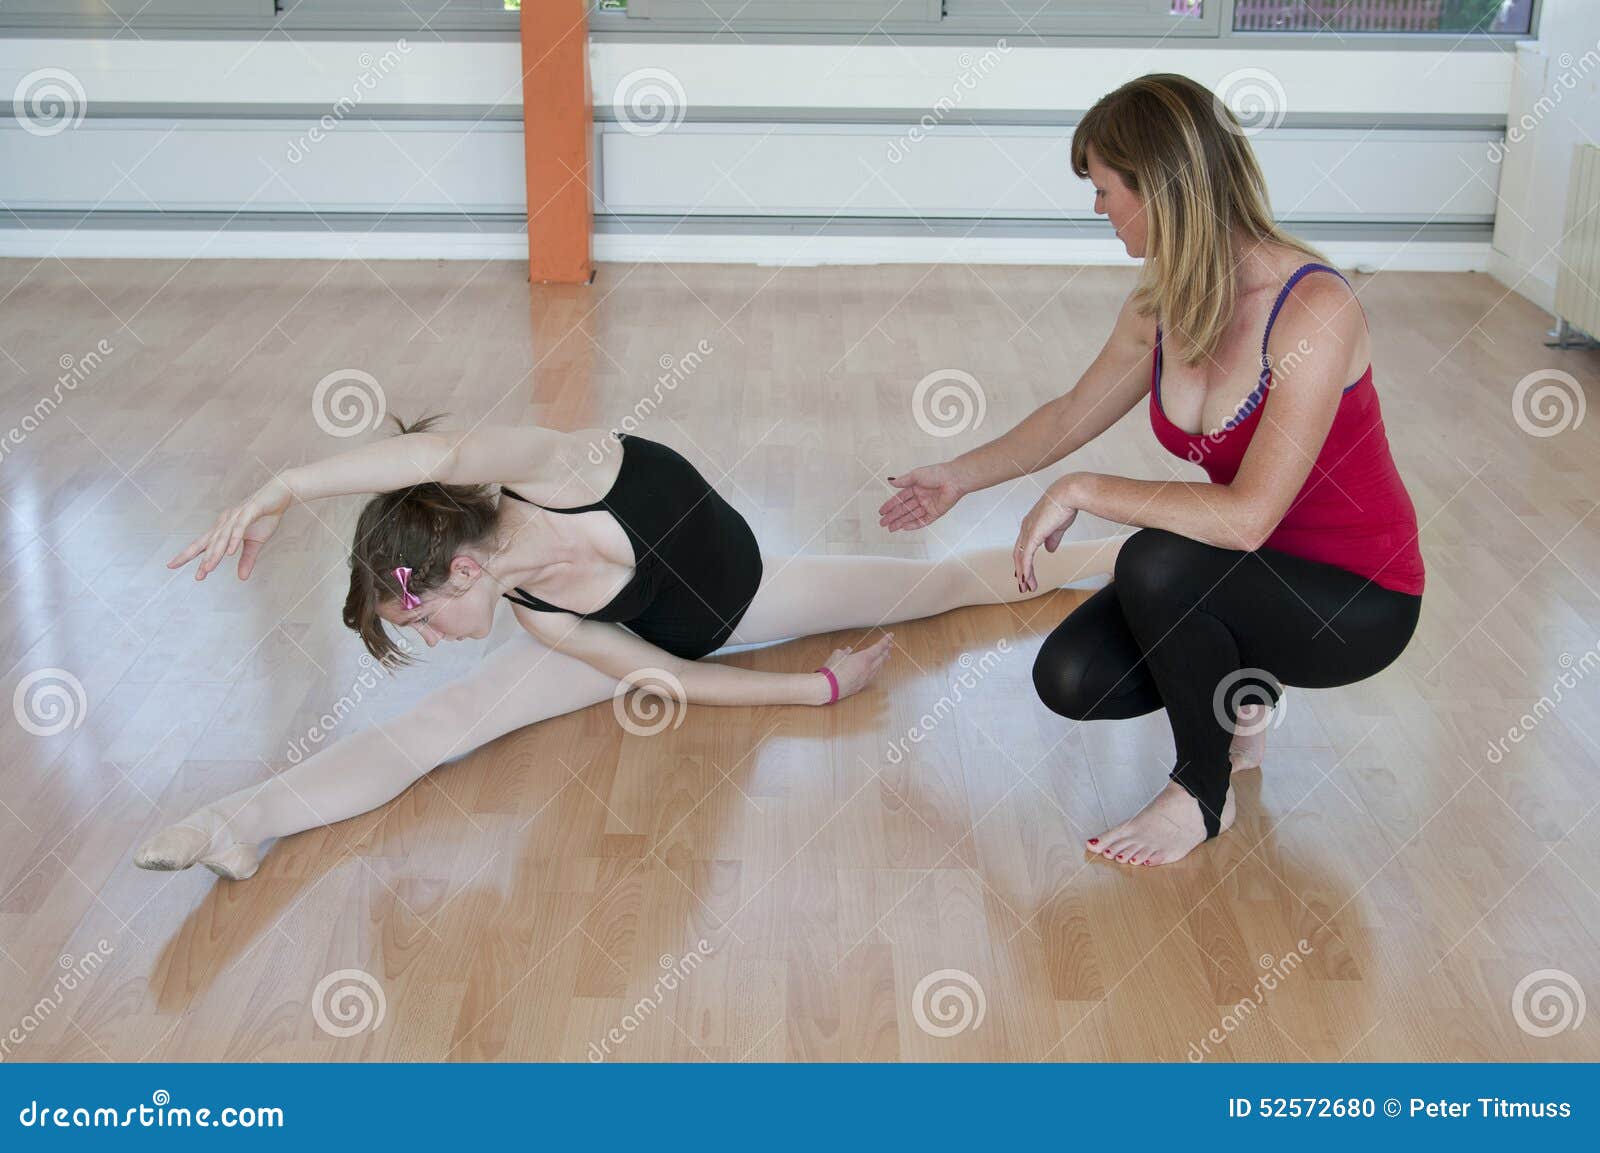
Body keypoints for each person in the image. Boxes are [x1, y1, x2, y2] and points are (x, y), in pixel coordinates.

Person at [136, 416, 1128, 880]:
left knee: (942, 585)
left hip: (752, 594)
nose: (433, 637)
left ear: (462, 572)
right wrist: (812, 692)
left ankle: (1130, 550)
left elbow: (439, 457)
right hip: (631, 635)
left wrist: (283, 485)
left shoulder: (564, 470)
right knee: (436, 725)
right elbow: (661, 676)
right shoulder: (541, 616)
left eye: (420, 618)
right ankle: (241, 816)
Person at [879, 73, 1425, 867]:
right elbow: (1072, 411)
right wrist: (958, 476)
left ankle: (1203, 794)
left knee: (1155, 561)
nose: (1098, 208)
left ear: (1162, 189)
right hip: (1248, 571)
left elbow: (1245, 517)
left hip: (1358, 601)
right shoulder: (1165, 297)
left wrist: (1085, 489)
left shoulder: (1312, 308)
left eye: (1104, 190)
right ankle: (1246, 685)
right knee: (1071, 677)